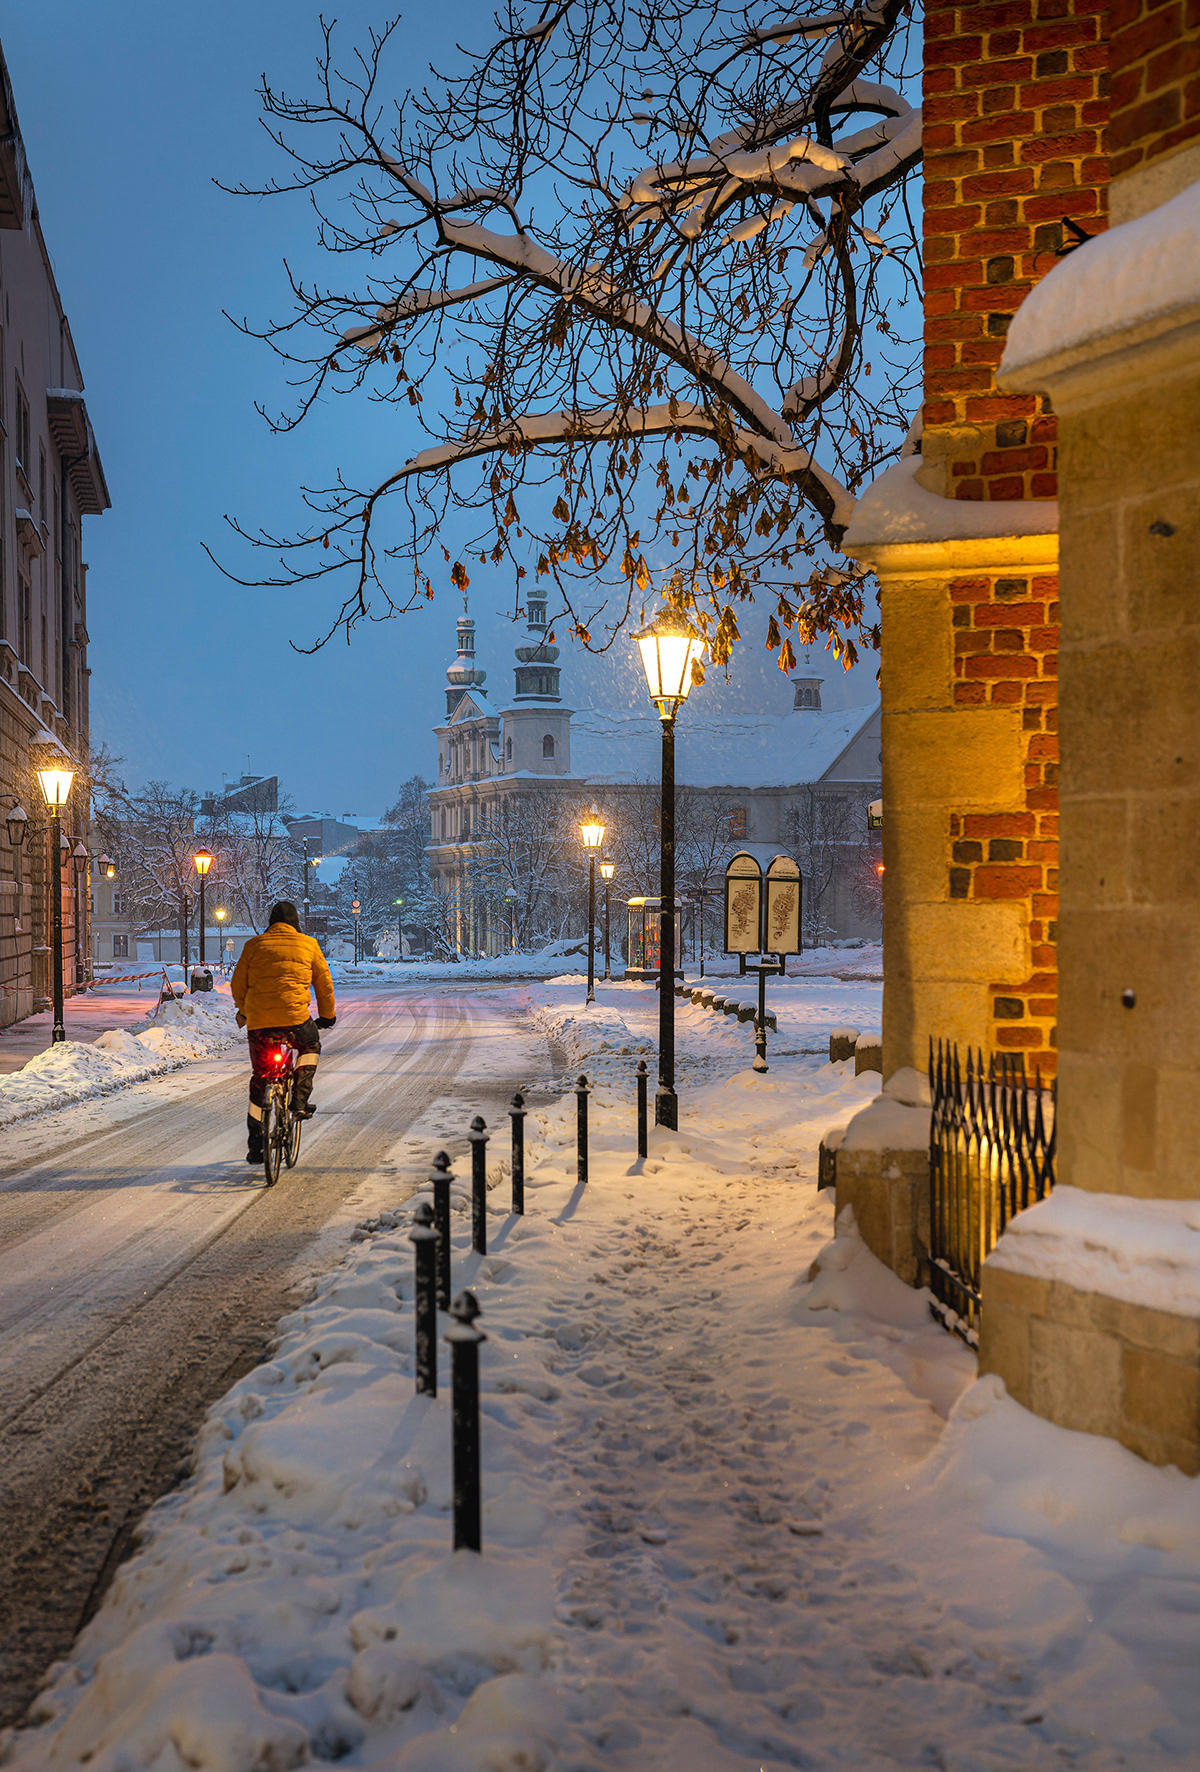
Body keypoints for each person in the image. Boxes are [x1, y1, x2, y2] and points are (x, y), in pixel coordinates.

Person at [231, 901, 337, 1164]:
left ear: (271, 922)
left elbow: (237, 985)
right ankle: (299, 1101)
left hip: (260, 1024)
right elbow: (323, 984)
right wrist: (327, 1016)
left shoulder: (253, 945)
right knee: (310, 1046)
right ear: (296, 922)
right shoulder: (309, 945)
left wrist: (245, 1011)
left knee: (260, 1078)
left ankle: (256, 1146)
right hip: (295, 1020)